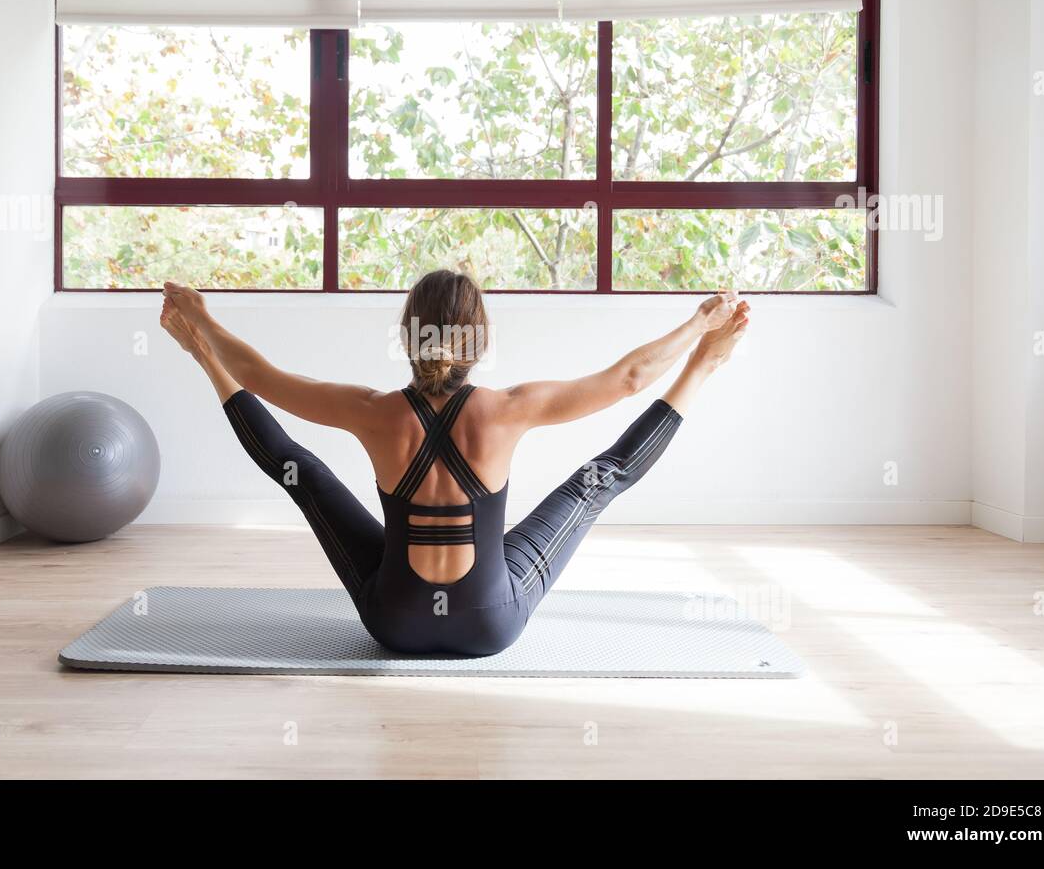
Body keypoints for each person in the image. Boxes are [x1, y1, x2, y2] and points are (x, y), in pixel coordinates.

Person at [160, 270, 749, 656]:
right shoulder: (508, 409)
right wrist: (701, 331)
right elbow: (630, 378)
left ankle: (200, 362)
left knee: (303, 474)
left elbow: (259, 377)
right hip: (489, 624)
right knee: (597, 481)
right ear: (480, 341)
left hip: (394, 623)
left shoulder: (372, 411)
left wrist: (202, 333)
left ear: (406, 337)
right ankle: (704, 371)